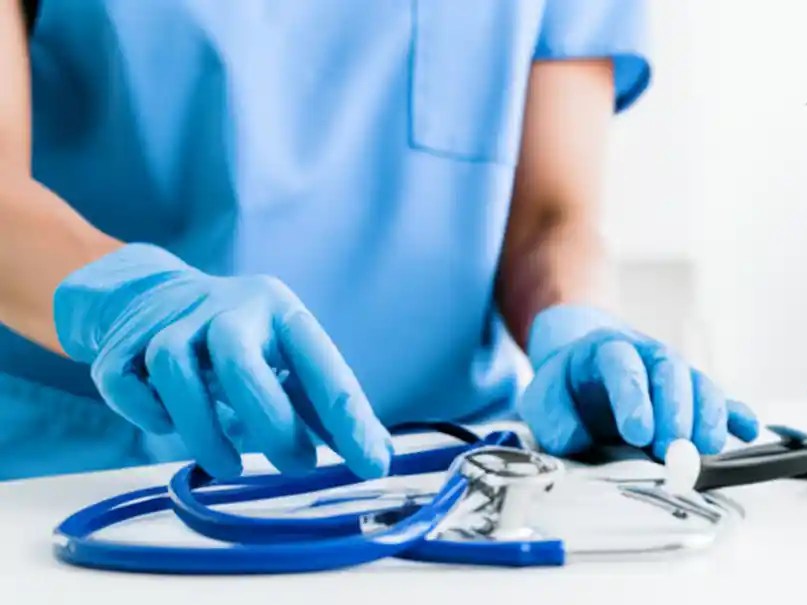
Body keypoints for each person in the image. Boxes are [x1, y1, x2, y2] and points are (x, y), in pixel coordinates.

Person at [0, 0, 757, 481]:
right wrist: (135, 301)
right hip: (92, 467)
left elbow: (551, 215)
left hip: (446, 473)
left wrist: (578, 322)